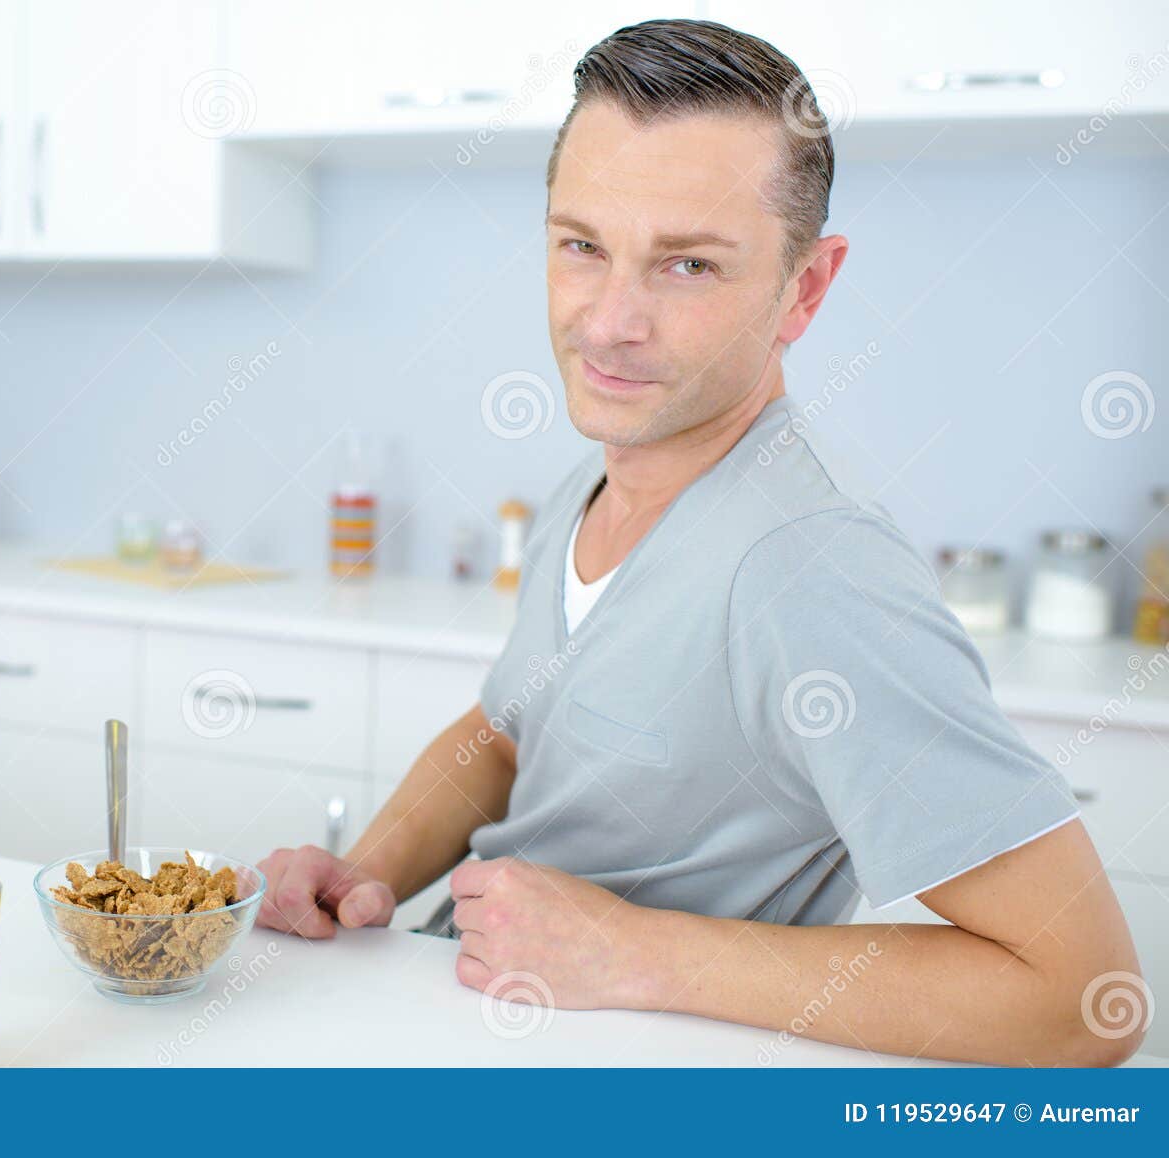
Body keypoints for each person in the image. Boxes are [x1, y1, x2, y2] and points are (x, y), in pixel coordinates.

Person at [256, 18, 1142, 1066]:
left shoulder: (813, 570)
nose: (608, 322)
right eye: (582, 245)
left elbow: (1083, 994)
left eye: (686, 266)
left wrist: (636, 952)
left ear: (803, 289)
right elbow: (506, 734)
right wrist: (368, 874)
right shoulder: (601, 472)